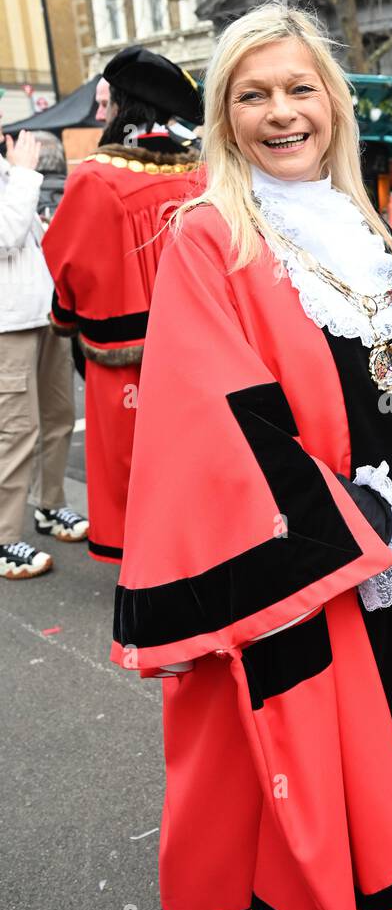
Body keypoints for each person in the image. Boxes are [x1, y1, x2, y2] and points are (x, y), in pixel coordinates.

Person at [109, 2, 392, 910]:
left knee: (389, 734)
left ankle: (386, 883)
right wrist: (357, 524)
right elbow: (217, 422)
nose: (282, 113)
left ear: (334, 99)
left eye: (299, 88)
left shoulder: (367, 216)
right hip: (306, 555)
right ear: (225, 115)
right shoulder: (206, 238)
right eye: (253, 94)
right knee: (309, 747)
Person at [41, 48, 203, 564]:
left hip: (127, 352)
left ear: (123, 106)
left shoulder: (97, 175)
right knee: (191, 454)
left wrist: (65, 317)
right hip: (196, 348)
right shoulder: (200, 171)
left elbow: (71, 262)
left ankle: (150, 567)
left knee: (132, 463)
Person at [0, 128, 87, 578]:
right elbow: (6, 235)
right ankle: (3, 535)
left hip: (41, 315)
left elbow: (30, 237)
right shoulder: (17, 174)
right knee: (16, 430)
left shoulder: (11, 173)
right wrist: (23, 174)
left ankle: (51, 505)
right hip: (7, 327)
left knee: (57, 418)